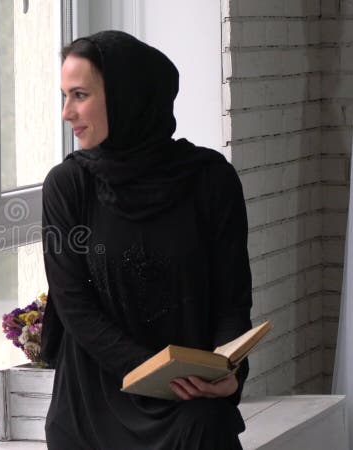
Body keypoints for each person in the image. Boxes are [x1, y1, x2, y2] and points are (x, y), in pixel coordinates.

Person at [40, 30, 252, 449]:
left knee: (208, 424)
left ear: (126, 95)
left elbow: (233, 302)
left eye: (79, 95)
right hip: (95, 402)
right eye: (64, 96)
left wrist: (230, 374)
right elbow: (75, 309)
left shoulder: (210, 180)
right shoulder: (69, 186)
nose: (67, 112)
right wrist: (157, 372)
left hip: (190, 400)